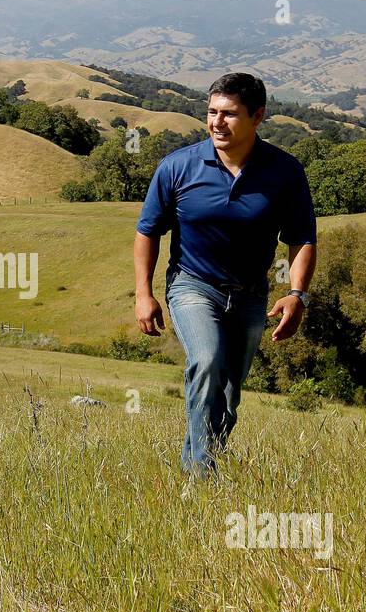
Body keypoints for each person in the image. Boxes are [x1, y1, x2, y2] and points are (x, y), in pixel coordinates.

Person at [133, 72, 317, 474]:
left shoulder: (284, 172)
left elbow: (302, 238)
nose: (217, 122)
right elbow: (147, 231)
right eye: (212, 112)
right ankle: (202, 473)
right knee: (207, 358)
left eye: (229, 114)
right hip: (192, 285)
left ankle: (199, 459)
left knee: (230, 395)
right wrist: (143, 294)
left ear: (258, 116)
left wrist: (296, 293)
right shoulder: (177, 167)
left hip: (251, 295)